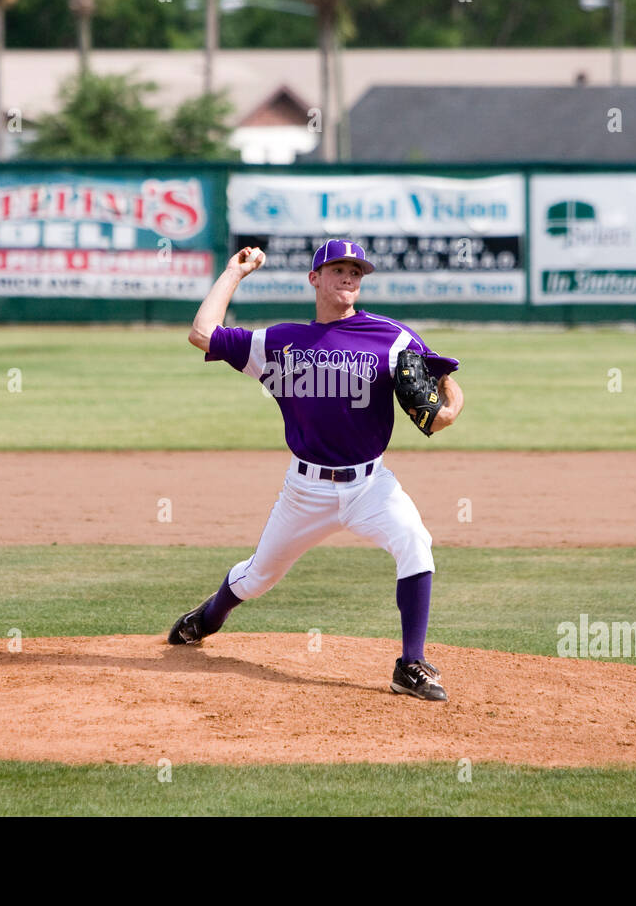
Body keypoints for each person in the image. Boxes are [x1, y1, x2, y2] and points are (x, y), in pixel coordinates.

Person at [168, 240, 465, 701]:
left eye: (356, 272)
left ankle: (410, 664)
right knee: (257, 578)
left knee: (415, 542)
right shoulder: (281, 342)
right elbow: (202, 332)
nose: (349, 278)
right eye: (339, 269)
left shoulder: (393, 338)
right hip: (304, 491)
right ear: (315, 279)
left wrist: (453, 401)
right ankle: (207, 617)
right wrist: (234, 273)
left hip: (371, 485)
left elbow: (439, 399)